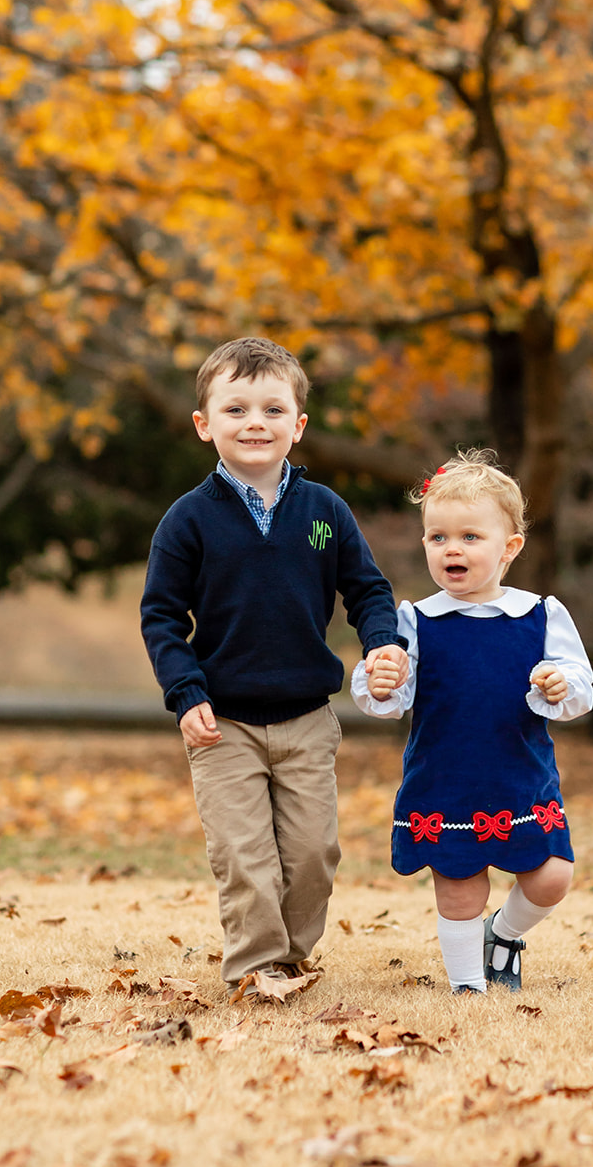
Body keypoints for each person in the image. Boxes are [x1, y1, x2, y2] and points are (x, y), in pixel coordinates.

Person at [141, 336, 409, 998]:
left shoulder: (325, 512)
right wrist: (186, 693)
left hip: (307, 718)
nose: (254, 422)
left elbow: (368, 590)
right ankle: (256, 971)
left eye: (272, 409)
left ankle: (289, 958)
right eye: (235, 409)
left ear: (299, 424)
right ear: (204, 425)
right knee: (244, 856)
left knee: (313, 853)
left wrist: (383, 643)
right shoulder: (188, 520)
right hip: (223, 723)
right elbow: (162, 618)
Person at [351, 450, 593, 994]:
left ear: (510, 548)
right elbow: (389, 696)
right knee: (460, 887)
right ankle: (467, 985)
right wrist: (381, 680)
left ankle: (503, 935)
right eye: (437, 537)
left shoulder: (539, 614)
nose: (451, 548)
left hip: (521, 775)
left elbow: (580, 685)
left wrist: (560, 682)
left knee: (552, 876)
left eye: (469, 537)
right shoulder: (417, 619)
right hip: (446, 778)